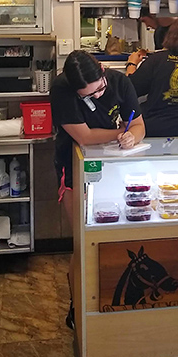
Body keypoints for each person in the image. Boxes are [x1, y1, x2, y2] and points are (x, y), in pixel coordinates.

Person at [50, 50, 145, 328]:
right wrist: (119, 134)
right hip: (75, 166)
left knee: (112, 241)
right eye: (89, 96)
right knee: (83, 242)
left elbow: (139, 124)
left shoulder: (119, 82)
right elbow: (85, 136)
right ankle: (77, 308)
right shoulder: (61, 89)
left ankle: (107, 307)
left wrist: (132, 136)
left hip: (115, 168)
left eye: (100, 88)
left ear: (103, 70)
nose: (99, 96)